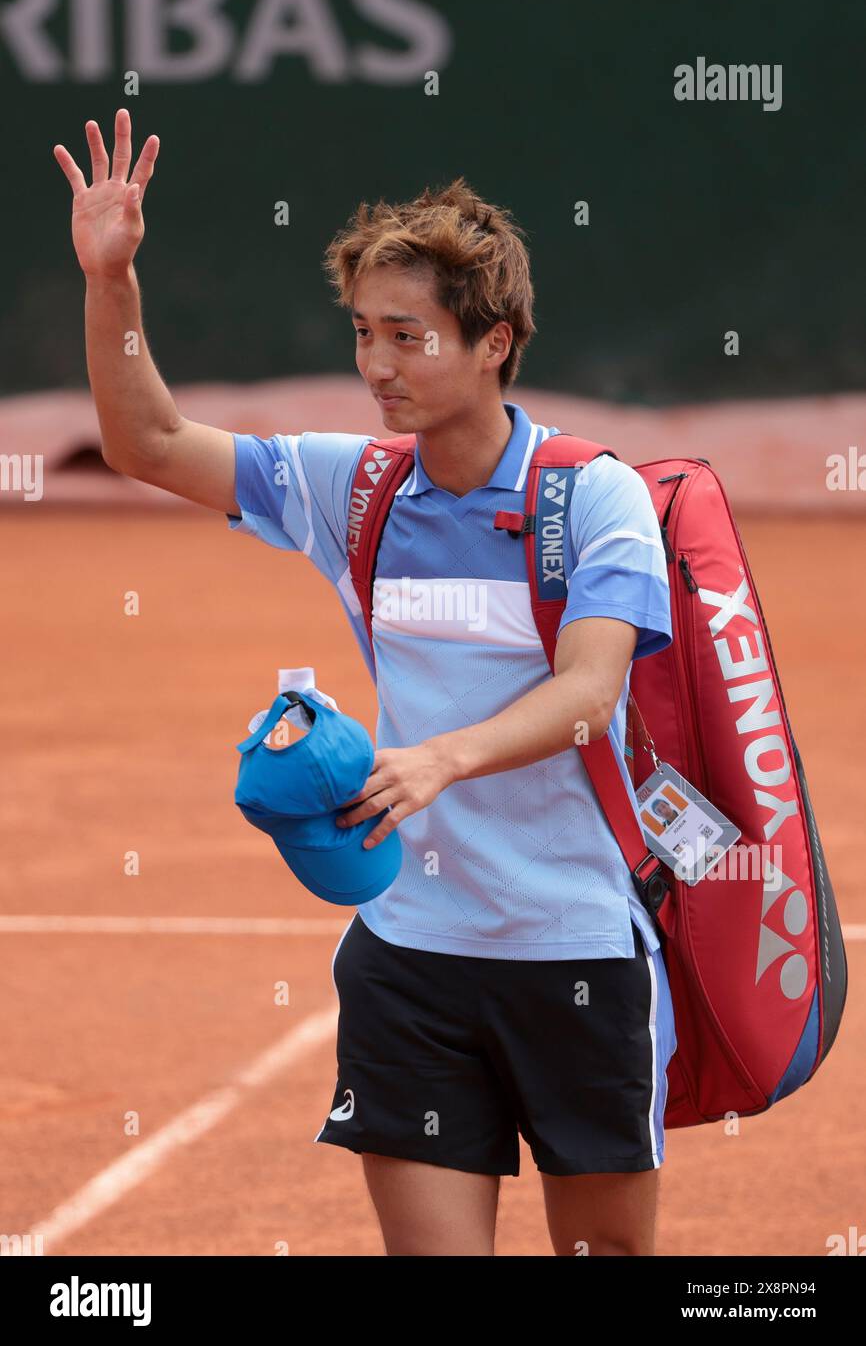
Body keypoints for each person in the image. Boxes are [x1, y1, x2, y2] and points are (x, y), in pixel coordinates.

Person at [54, 108, 677, 1257]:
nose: (377, 367)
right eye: (362, 334)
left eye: (409, 335)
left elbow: (591, 689)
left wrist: (437, 757)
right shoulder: (354, 490)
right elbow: (145, 442)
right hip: (412, 954)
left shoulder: (594, 500)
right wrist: (112, 279)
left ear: (493, 341)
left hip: (576, 959)